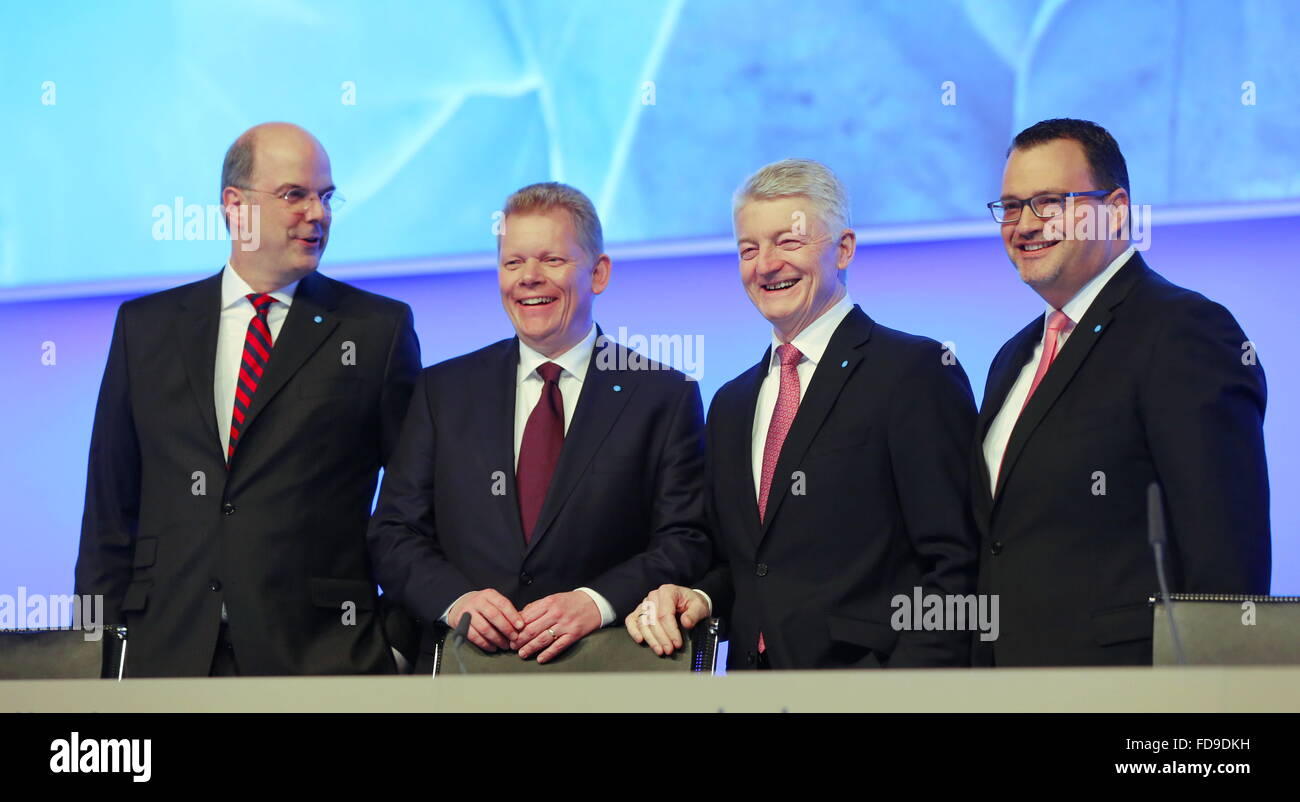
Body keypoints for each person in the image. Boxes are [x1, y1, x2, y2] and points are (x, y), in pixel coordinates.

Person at [75, 122, 422, 676]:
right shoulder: (146, 328)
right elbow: (109, 512)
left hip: (324, 660)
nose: (318, 213)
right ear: (235, 207)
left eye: (326, 197)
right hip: (164, 654)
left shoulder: (376, 330)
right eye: (295, 195)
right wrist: (93, 655)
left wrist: (400, 644)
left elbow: (416, 503)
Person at [627, 159, 979, 669]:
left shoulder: (914, 372)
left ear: (844, 248)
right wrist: (698, 597)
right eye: (749, 249)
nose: (766, 264)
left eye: (788, 242)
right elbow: (749, 565)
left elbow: (954, 561)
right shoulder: (731, 403)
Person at [367, 182, 711, 668]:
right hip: (464, 672)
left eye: (552, 260)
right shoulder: (442, 391)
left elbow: (686, 539)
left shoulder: (663, 395)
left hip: (606, 672)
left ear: (599, 273)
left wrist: (596, 602)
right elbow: (394, 533)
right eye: (513, 263)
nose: (529, 277)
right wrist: (455, 600)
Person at [974, 118, 1270, 666]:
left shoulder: (1184, 331)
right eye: (1011, 207)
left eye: (1049, 202)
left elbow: (1226, 564)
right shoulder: (1012, 358)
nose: (1025, 224)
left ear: (1114, 209)